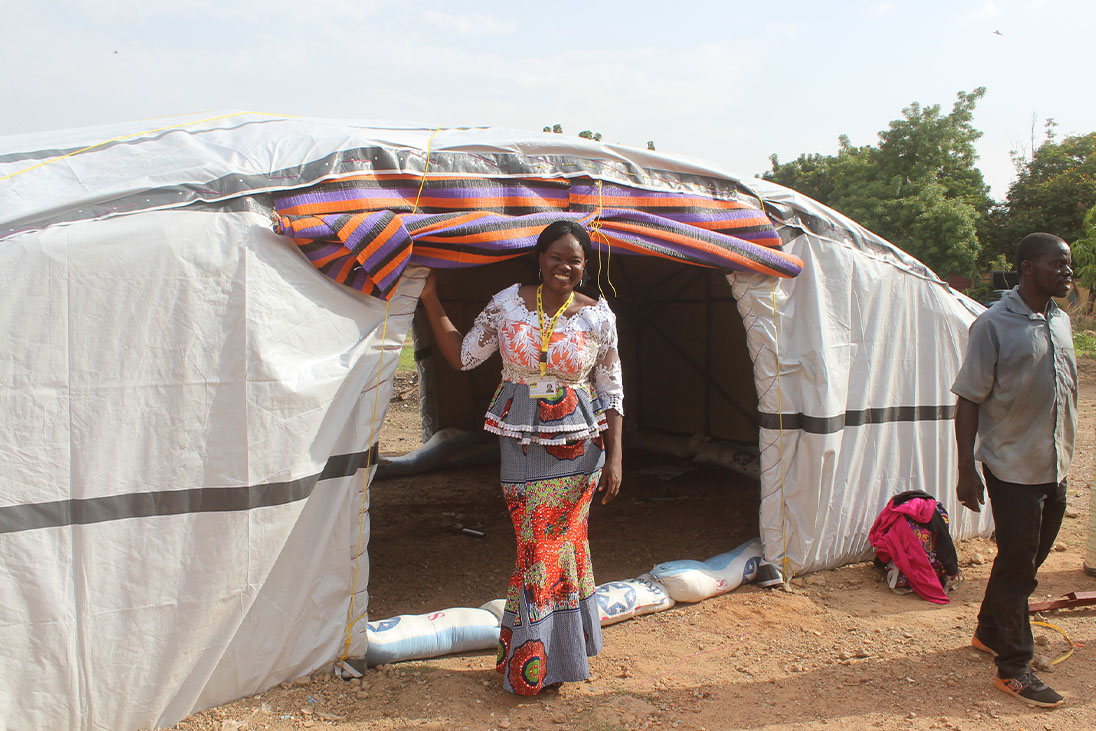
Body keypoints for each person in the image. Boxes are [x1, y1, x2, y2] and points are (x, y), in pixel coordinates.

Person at [419, 220, 623, 695]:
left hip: (581, 449)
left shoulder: (598, 317)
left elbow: (611, 388)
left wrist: (615, 457)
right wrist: (430, 300)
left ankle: (555, 658)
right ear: (539, 258)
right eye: (556, 257)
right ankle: (539, 659)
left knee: (569, 548)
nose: (564, 267)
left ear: (584, 267)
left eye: (574, 260)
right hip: (522, 443)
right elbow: (464, 356)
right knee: (538, 549)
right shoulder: (508, 303)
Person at [951, 232, 1077, 709]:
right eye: (1057, 264)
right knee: (1019, 567)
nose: (1067, 272)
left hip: (1054, 464)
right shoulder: (993, 325)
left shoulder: (1060, 320)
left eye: (1068, 265)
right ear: (1028, 268)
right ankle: (1014, 667)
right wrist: (967, 469)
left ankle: (988, 631)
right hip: (1012, 468)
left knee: (1028, 560)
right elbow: (968, 400)